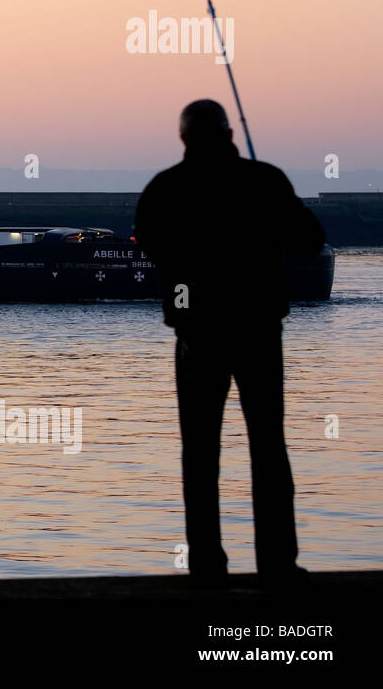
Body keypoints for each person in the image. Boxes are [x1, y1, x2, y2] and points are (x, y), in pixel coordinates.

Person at [134, 99, 324, 588]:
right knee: (269, 445)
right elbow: (309, 242)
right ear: (230, 133)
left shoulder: (167, 187)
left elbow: (149, 244)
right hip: (258, 327)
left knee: (199, 451)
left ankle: (206, 566)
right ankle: (277, 565)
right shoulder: (266, 180)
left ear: (183, 138)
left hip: (197, 330)